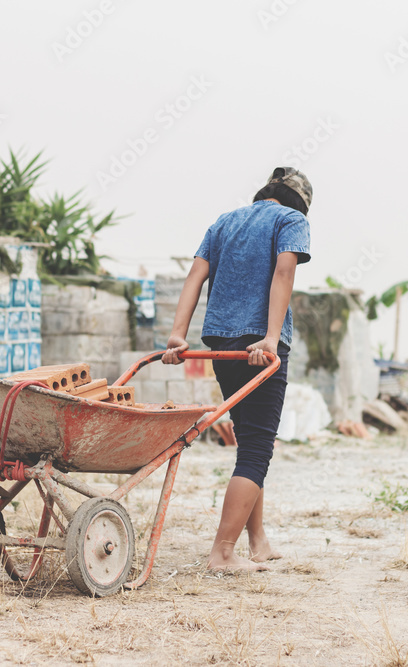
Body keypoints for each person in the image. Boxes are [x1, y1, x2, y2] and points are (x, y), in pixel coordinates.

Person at [162, 166, 312, 572]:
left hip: (220, 343)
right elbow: (284, 271)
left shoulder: (225, 222)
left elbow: (195, 276)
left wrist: (178, 335)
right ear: (302, 204)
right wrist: (269, 337)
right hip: (261, 347)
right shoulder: (291, 220)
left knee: (249, 443)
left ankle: (257, 541)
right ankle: (222, 554)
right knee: (258, 449)